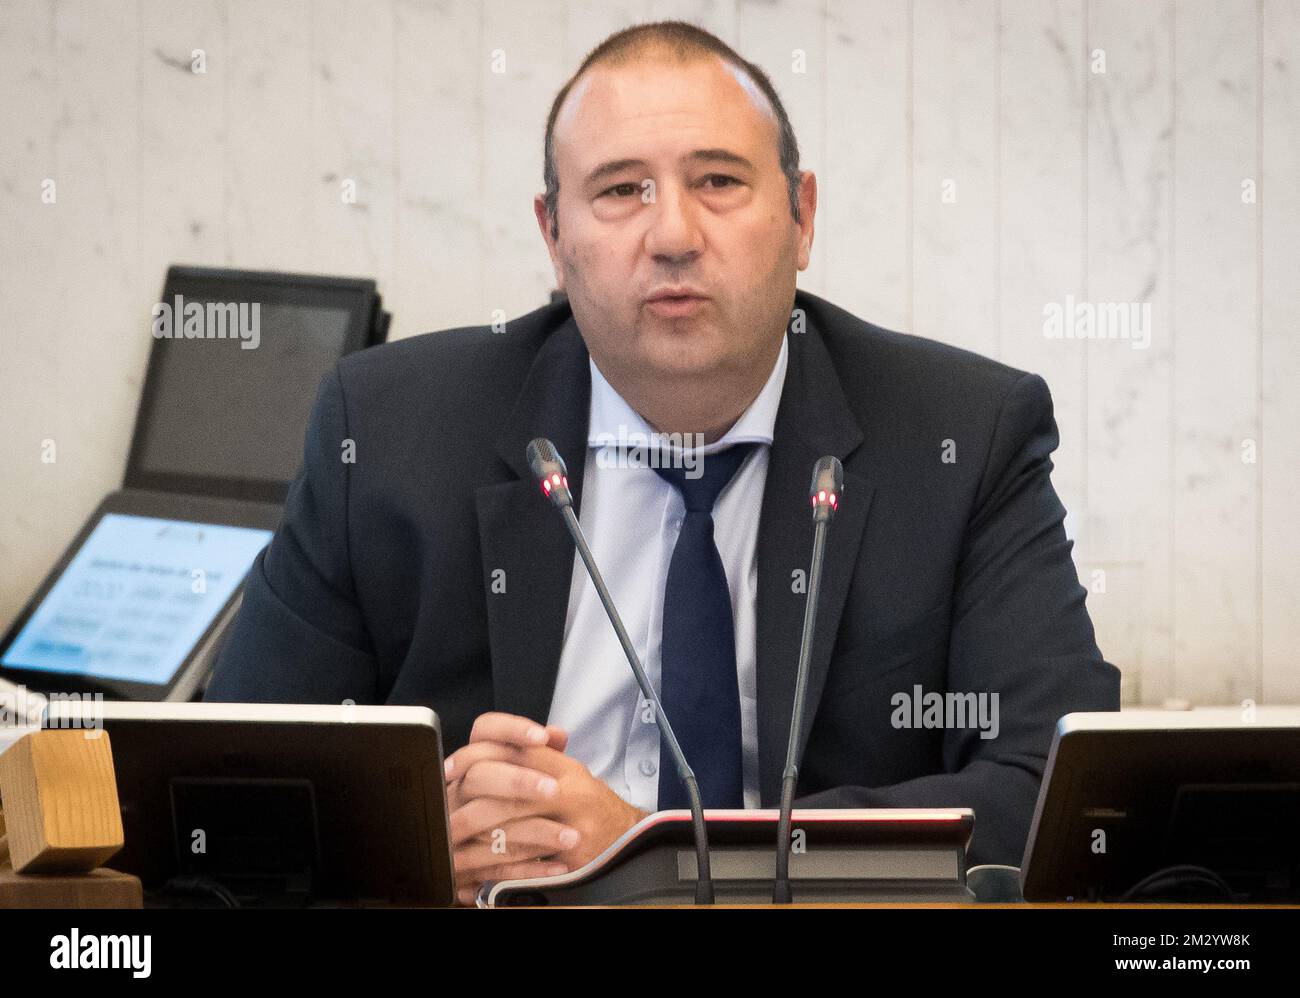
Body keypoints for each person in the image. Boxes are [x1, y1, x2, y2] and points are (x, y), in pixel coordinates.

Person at [206, 20, 1119, 905]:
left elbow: (1057, 789)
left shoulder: (961, 436)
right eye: (619, 190)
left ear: (802, 218)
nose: (674, 233)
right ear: (553, 236)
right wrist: (406, 840)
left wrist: (657, 853)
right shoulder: (390, 432)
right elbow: (230, 787)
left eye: (718, 181)